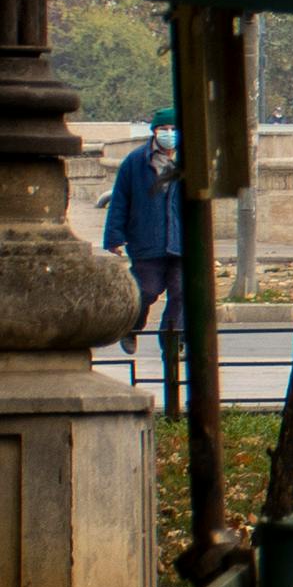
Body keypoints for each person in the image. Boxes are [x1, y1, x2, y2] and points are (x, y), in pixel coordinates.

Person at [102, 109, 186, 394]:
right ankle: (132, 326)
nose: (169, 133)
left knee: (181, 292)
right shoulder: (136, 161)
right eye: (163, 128)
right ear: (154, 131)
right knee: (146, 290)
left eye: (173, 128)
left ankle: (173, 341)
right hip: (147, 240)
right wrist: (114, 237)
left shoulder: (189, 160)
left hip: (181, 242)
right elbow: (120, 200)